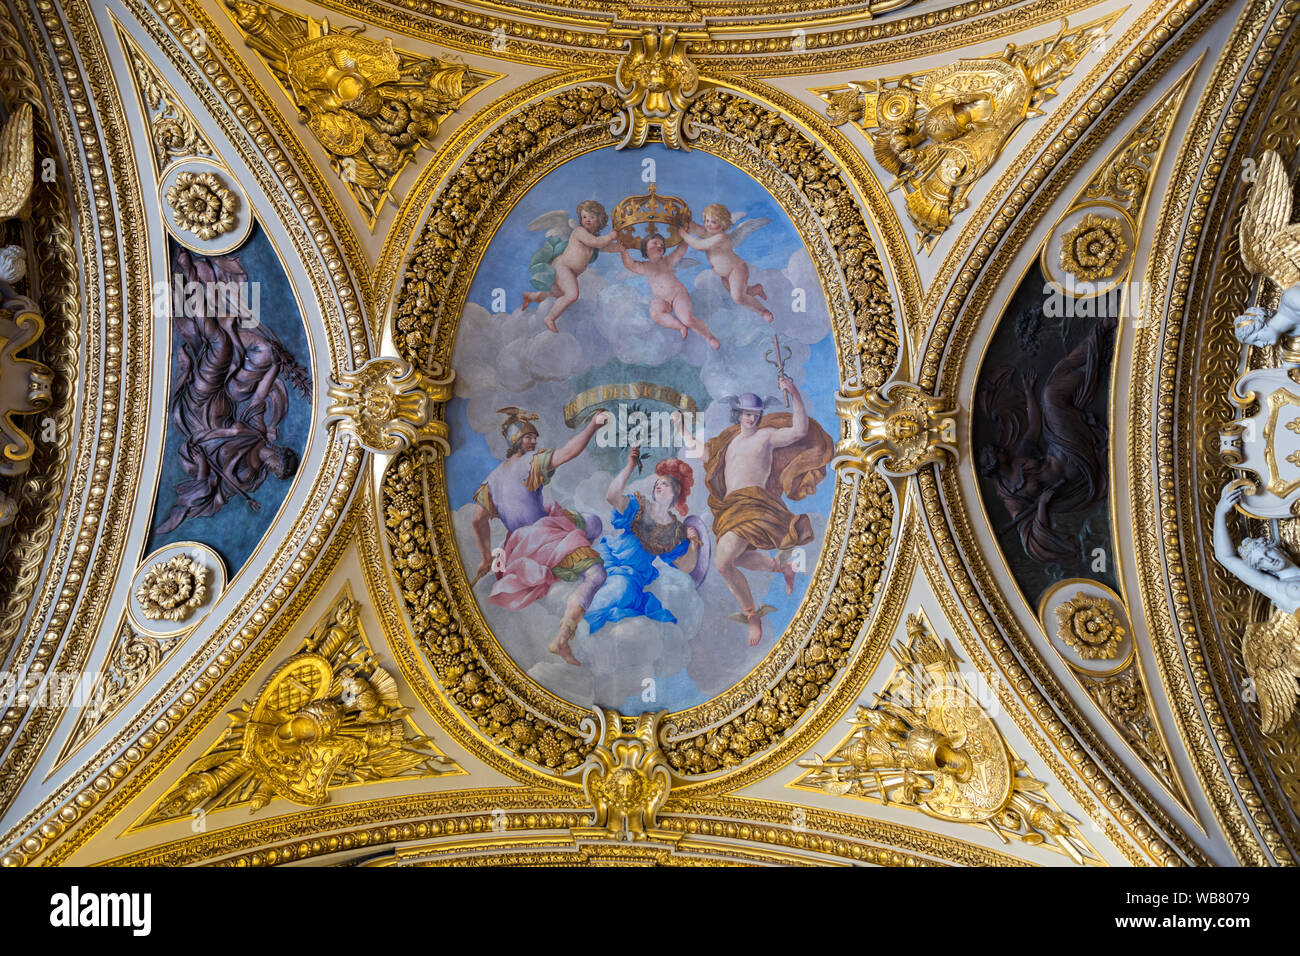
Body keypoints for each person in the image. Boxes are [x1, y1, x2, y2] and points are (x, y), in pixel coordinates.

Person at [675, 376, 833, 646]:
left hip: (754, 503)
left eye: (756, 415)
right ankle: (781, 567)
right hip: (731, 507)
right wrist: (681, 430)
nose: (751, 419)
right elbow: (703, 454)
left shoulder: (766, 437)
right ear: (738, 414)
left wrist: (793, 392)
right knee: (736, 559)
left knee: (723, 563)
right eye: (747, 414)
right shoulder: (727, 443)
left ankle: (752, 616)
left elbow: (798, 431)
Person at [470, 407, 610, 666]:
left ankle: (574, 549)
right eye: (527, 437)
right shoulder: (530, 462)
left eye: (534, 437)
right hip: (540, 541)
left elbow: (478, 520)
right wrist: (592, 426)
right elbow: (568, 453)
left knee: (593, 523)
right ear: (515, 441)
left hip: (517, 546)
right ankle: (562, 638)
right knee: (597, 574)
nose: (533, 441)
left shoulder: (492, 479)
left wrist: (484, 556)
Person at [584, 447, 705, 635]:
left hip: (630, 575)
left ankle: (576, 634)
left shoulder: (674, 531)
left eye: (665, 485)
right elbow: (612, 496)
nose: (659, 486)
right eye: (658, 483)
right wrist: (630, 466)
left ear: (674, 493)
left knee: (612, 595)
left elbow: (685, 566)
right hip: (607, 557)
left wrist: (694, 543)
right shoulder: (639, 505)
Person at [522, 200, 621, 332]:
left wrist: (621, 247)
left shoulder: (593, 239)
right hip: (563, 267)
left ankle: (530, 296)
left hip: (569, 271)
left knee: (554, 294)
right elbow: (597, 242)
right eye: (584, 217)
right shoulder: (579, 232)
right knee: (572, 295)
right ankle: (550, 318)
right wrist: (610, 236)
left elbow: (607, 247)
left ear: (600, 220)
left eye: (592, 217)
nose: (587, 220)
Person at [620, 233, 721, 349]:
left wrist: (685, 236)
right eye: (655, 243)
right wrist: (623, 252)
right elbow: (630, 265)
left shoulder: (667, 261)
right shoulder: (645, 266)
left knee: (687, 319)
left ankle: (709, 337)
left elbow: (680, 251)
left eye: (662, 244)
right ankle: (679, 326)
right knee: (655, 313)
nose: (660, 245)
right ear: (645, 249)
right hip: (661, 298)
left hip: (677, 294)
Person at [677, 203, 773, 323]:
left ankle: (764, 312)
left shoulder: (721, 238)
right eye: (706, 220)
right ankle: (757, 289)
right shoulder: (708, 233)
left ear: (723, 223)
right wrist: (685, 223)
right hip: (725, 276)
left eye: (713, 222)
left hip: (736, 270)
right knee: (741, 292)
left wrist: (684, 235)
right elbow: (695, 228)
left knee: (738, 298)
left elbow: (698, 245)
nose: (708, 224)